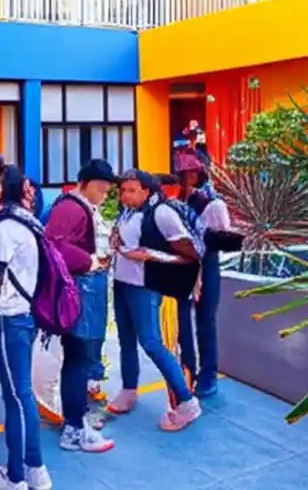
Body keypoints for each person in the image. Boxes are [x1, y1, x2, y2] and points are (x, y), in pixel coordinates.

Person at [107, 169, 203, 432]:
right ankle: (128, 390)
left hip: (145, 287)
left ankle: (187, 401)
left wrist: (152, 256)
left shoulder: (162, 213)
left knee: (151, 342)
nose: (125, 195)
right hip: (122, 282)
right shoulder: (127, 212)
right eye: (123, 190)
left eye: (131, 190)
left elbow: (191, 254)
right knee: (126, 339)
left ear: (146, 191)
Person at [0, 165, 51, 490]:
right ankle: (35, 468)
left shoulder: (4, 226)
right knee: (22, 393)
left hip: (10, 317)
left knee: (17, 396)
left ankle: (16, 476)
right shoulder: (30, 221)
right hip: (29, 313)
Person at [44, 159, 116, 453]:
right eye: (101, 188)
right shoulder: (72, 208)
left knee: (81, 356)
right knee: (78, 356)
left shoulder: (75, 206)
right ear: (85, 183)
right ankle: (74, 428)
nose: (104, 195)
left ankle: (76, 421)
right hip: (83, 290)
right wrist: (89, 261)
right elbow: (54, 245)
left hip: (88, 289)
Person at [176, 162, 236, 400]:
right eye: (183, 172)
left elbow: (224, 237)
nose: (187, 176)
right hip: (183, 262)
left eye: (191, 171)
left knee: (205, 321)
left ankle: (208, 374)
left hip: (206, 263)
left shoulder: (214, 202)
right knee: (182, 322)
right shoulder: (181, 200)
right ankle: (187, 369)